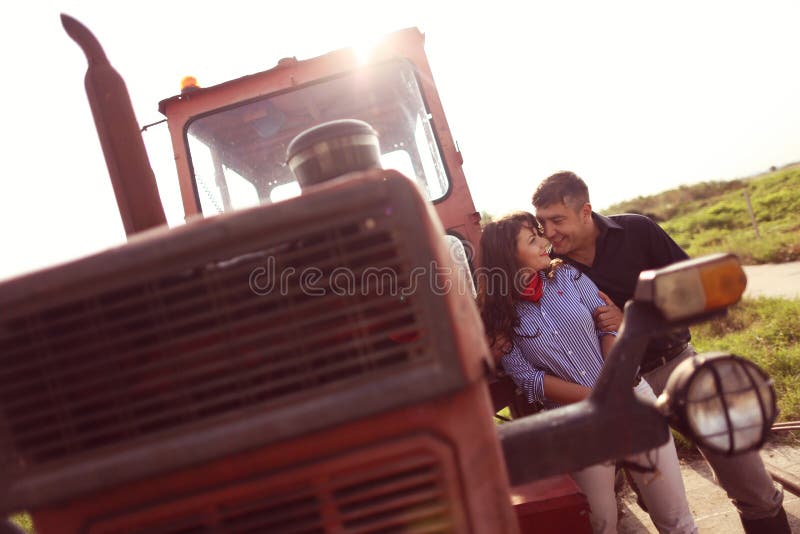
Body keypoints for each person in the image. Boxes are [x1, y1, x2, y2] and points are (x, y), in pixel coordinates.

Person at [532, 170, 789, 534]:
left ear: (585, 211)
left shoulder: (638, 230)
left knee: (748, 477)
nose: (549, 232)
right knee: (659, 503)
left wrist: (631, 315)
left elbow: (697, 290)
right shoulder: (550, 268)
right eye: (542, 222)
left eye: (557, 220)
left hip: (676, 365)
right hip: (621, 388)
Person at [477, 212, 697, 534]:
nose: (545, 242)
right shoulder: (499, 318)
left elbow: (607, 323)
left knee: (675, 518)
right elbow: (528, 378)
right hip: (575, 423)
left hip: (631, 399)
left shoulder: (570, 276)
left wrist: (612, 390)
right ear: (508, 255)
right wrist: (597, 401)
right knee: (600, 522)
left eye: (540, 235)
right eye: (533, 239)